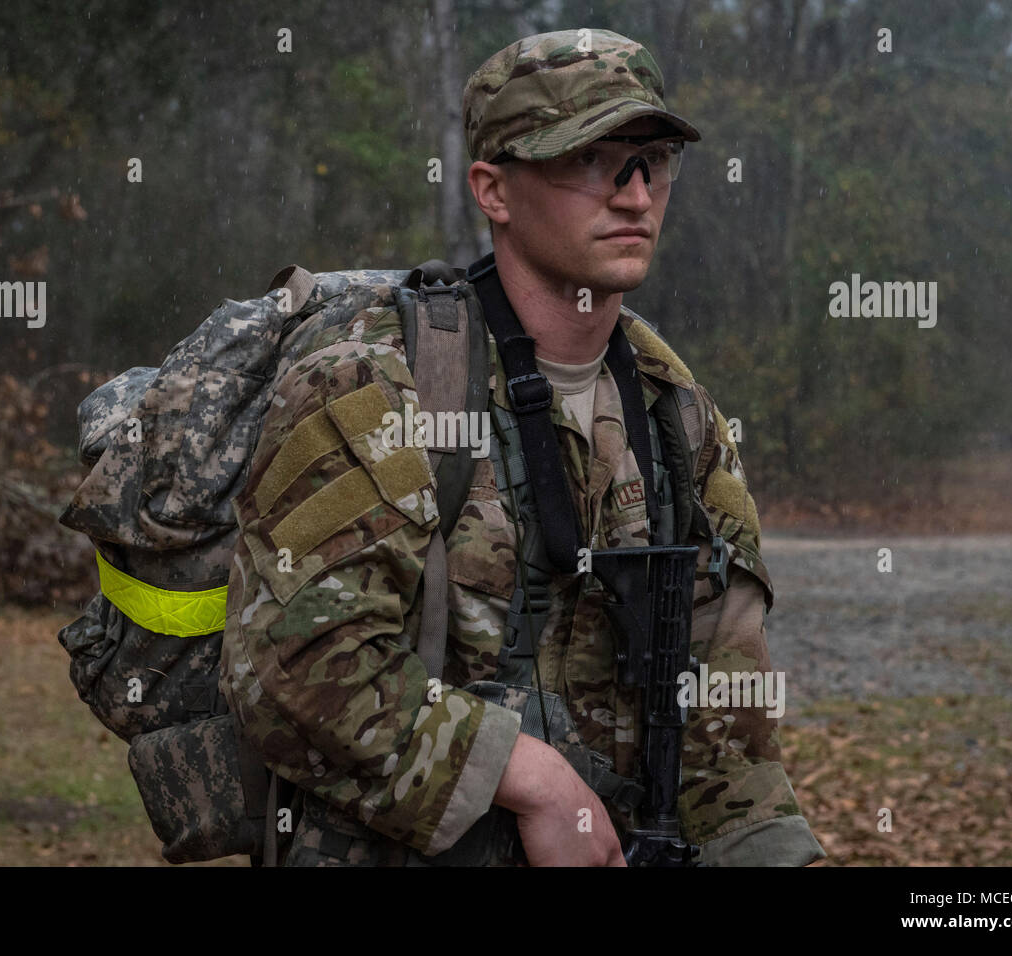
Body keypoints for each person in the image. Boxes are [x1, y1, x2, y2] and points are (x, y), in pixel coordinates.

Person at [219, 28, 826, 866]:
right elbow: (294, 669)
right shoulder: (374, 385)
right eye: (589, 160)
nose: (633, 194)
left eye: (650, 160)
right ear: (493, 190)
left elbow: (728, 726)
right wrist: (527, 777)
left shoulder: (674, 409)